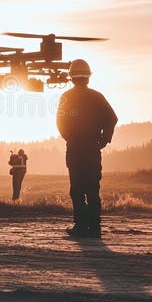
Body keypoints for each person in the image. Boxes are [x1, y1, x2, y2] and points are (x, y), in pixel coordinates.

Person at [56, 59, 117, 239]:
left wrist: (71, 138)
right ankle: (95, 229)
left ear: (71, 78)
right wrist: (104, 140)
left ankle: (81, 227)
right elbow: (112, 118)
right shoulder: (97, 96)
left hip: (75, 151)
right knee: (92, 189)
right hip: (92, 150)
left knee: (77, 189)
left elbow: (59, 123)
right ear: (88, 78)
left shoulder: (66, 97)